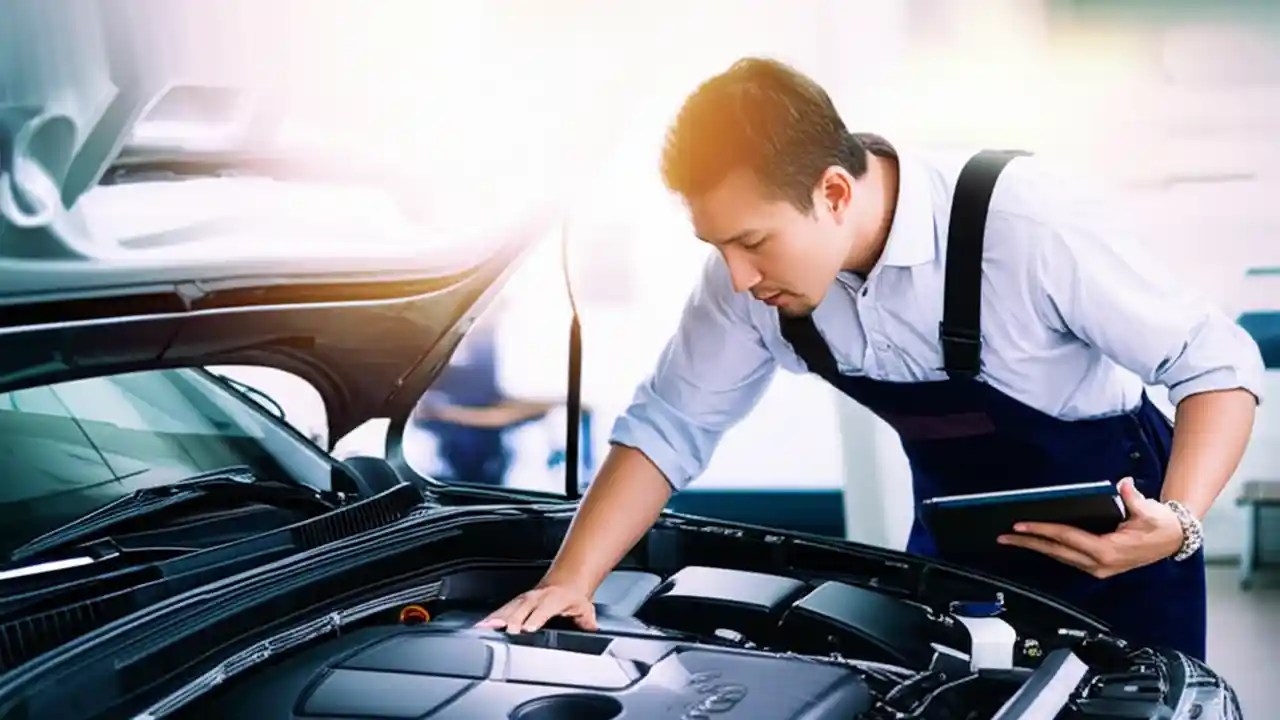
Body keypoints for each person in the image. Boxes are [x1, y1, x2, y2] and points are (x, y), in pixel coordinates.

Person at [478, 57, 1263, 660]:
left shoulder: (1023, 223)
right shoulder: (745, 281)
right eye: (718, 246)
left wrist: (1182, 521)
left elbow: (1217, 364)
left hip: (1127, 545)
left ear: (834, 193)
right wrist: (569, 582)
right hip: (961, 554)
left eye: (753, 241)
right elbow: (669, 425)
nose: (738, 276)